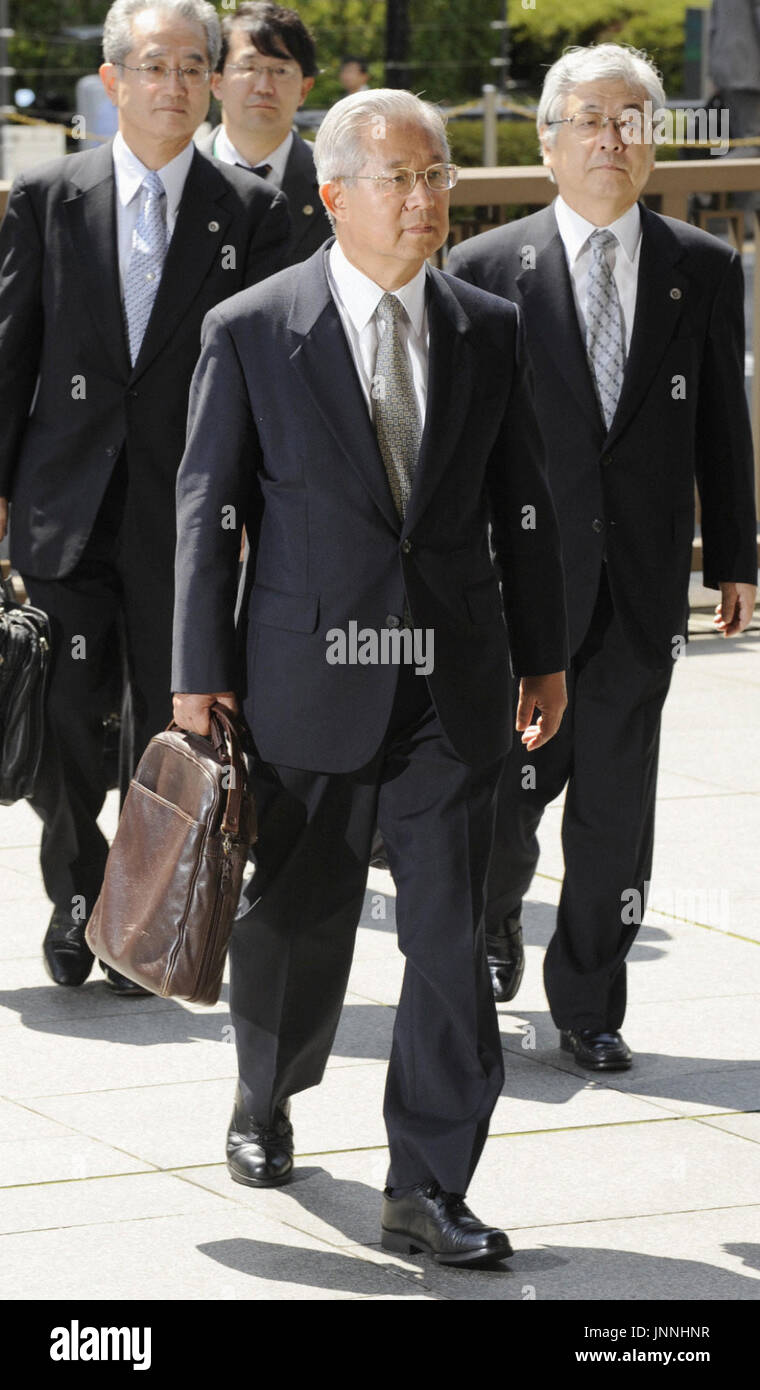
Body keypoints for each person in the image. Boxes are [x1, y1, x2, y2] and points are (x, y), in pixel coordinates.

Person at [171, 88, 569, 1265]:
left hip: (452, 685)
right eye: (397, 179)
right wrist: (200, 670)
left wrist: (542, 649)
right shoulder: (249, 327)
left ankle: (427, 1187)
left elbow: (525, 507)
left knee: (450, 942)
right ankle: (267, 1091)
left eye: (437, 175)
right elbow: (209, 509)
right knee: (296, 931)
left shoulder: (487, 327)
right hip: (303, 677)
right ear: (333, 194)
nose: (425, 199)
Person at [448, 43, 757, 1071]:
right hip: (519, 589)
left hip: (638, 585)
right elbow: (464, 443)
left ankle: (587, 1002)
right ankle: (494, 913)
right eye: (589, 118)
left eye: (632, 118)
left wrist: (736, 561)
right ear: (547, 142)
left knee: (616, 810)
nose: (611, 137)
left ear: (655, 139)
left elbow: (724, 422)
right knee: (507, 794)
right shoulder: (488, 269)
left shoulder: (700, 268)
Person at [0, 0, 289, 994]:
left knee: (173, 723)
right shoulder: (45, 198)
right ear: (112, 81)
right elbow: (10, 359)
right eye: (151, 65)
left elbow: (272, 385)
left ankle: (139, 912)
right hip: (63, 506)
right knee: (68, 717)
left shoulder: (251, 214)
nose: (172, 83)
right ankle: (78, 887)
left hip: (191, 513)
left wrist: (269, 517)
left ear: (212, 79)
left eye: (191, 66)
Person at [196, 2, 332, 264]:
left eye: (280, 70)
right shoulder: (177, 176)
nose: (264, 86)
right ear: (216, 81)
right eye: (249, 67)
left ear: (305, 88)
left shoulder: (335, 181)